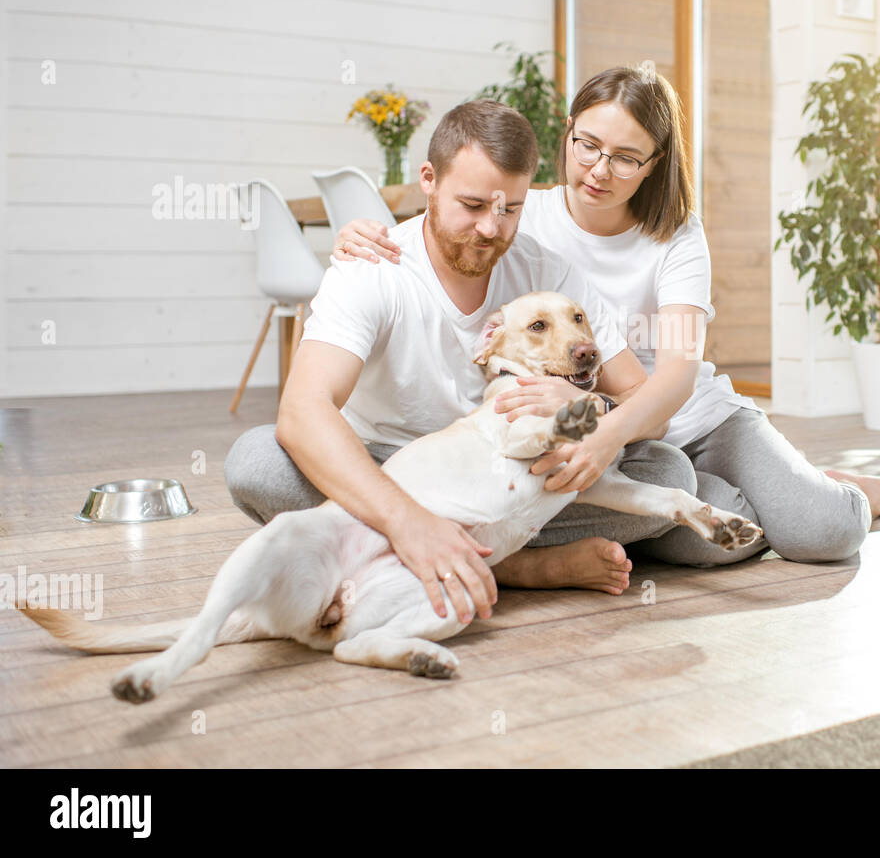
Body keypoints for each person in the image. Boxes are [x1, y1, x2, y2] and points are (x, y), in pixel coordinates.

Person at [333, 67, 880, 574]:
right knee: (703, 547)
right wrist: (368, 233)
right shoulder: (520, 212)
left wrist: (603, 426)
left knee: (823, 532)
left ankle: (837, 489)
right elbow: (452, 218)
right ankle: (772, 493)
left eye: (627, 158)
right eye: (587, 145)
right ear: (568, 131)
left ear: (656, 163)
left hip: (687, 419)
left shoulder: (678, 235)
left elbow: (678, 375)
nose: (599, 170)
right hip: (608, 437)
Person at [224, 99, 711, 629]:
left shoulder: (550, 272)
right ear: (428, 180)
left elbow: (648, 409)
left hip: (507, 472)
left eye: (510, 210)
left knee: (664, 468)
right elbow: (302, 411)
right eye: (473, 205)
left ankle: (462, 556)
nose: (490, 229)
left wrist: (590, 405)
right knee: (257, 461)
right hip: (392, 466)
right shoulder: (375, 265)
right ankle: (515, 566)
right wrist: (409, 521)